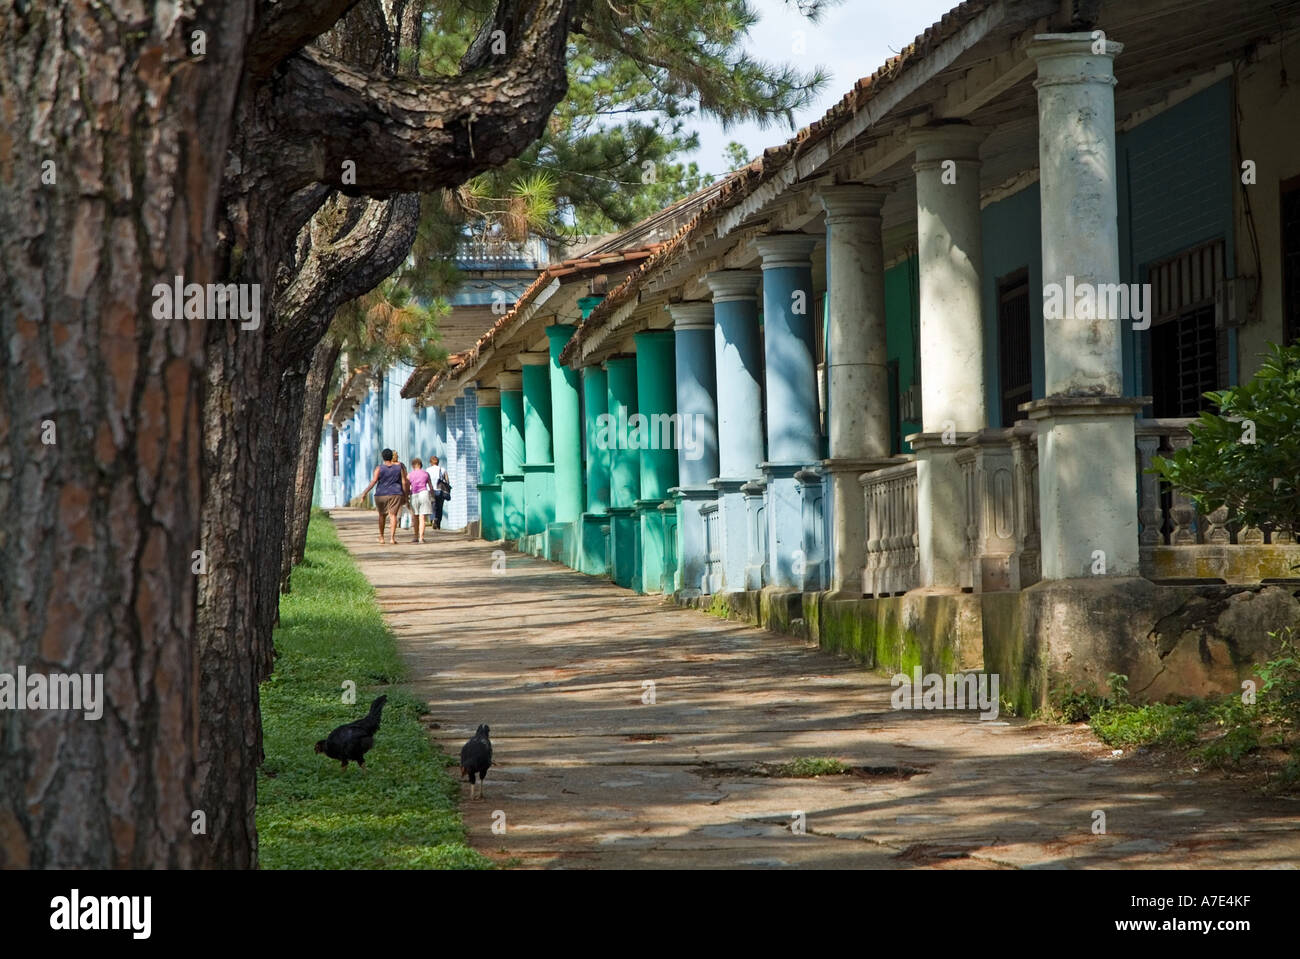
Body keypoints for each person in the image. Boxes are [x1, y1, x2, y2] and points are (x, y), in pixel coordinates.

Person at [359, 448, 409, 544]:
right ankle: (392, 538)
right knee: (393, 515)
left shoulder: (379, 468)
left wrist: (365, 492)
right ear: (392, 456)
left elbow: (374, 481)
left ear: (383, 457)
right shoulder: (399, 468)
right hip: (396, 493)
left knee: (382, 515)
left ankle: (381, 537)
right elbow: (403, 481)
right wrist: (405, 494)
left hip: (381, 494)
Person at [407, 457, 433, 544]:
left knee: (415, 516)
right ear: (420, 465)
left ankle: (415, 536)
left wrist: (406, 496)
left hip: (414, 495)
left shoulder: (410, 475)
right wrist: (432, 496)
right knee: (422, 517)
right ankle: (421, 538)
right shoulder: (426, 474)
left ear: (413, 466)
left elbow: (407, 486)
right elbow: (431, 486)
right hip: (424, 494)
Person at [429, 455, 450, 530]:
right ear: (438, 462)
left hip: (430, 490)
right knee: (440, 507)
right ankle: (438, 523)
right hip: (440, 491)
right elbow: (447, 481)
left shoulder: (428, 470)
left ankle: (433, 518)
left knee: (432, 506)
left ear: (430, 462)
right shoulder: (442, 469)